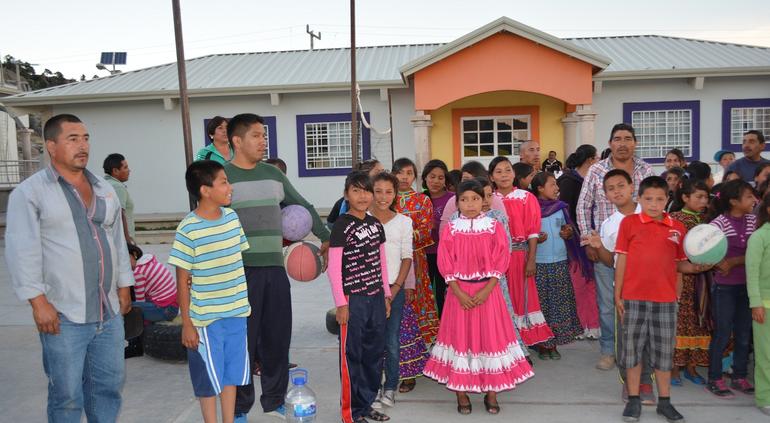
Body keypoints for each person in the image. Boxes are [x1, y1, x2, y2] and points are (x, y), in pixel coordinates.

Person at [6, 114, 134, 422]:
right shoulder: (30, 193)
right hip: (64, 315)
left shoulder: (104, 189)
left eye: (86, 138)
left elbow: (117, 240)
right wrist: (38, 302)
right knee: (66, 396)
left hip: (108, 312)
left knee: (108, 388)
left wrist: (124, 285)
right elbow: (22, 250)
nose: (82, 145)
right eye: (72, 139)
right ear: (51, 146)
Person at [223, 113, 331, 421]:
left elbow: (303, 205)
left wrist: (325, 236)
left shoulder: (272, 174)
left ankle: (274, 400)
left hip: (273, 268)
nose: (263, 141)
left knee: (277, 338)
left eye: (264, 135)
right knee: (243, 341)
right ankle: (240, 407)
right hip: (239, 271)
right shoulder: (223, 176)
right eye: (256, 135)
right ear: (237, 140)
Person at [423, 179, 533, 415]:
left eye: (475, 198)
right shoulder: (451, 228)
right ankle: (461, 393)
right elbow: (445, 261)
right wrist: (458, 292)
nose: (470, 204)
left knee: (490, 340)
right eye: (464, 199)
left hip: (489, 293)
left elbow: (502, 258)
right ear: (457, 203)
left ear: (484, 201)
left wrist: (487, 289)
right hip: (458, 294)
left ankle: (491, 392)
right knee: (460, 341)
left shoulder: (494, 226)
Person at [614, 176, 709, 423]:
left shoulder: (677, 227)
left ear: (667, 199)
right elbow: (622, 259)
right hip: (633, 298)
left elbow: (680, 265)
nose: (654, 204)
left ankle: (665, 402)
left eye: (659, 199)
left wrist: (697, 268)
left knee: (664, 354)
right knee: (633, 352)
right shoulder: (629, 223)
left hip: (665, 301)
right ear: (639, 199)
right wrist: (618, 295)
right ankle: (633, 400)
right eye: (648, 199)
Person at [168, 160, 251, 423]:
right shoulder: (188, 228)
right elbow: (182, 280)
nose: (230, 187)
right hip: (206, 320)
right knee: (207, 381)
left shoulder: (232, 219)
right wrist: (187, 324)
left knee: (231, 376)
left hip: (236, 313)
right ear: (205, 190)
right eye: (224, 182)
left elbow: (235, 263)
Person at [576, 122, 654, 371]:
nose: (622, 144)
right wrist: (588, 240)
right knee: (607, 304)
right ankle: (609, 350)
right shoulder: (597, 170)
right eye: (617, 139)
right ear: (610, 143)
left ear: (635, 143)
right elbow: (583, 206)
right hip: (605, 250)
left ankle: (635, 349)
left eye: (628, 139)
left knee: (638, 302)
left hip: (640, 252)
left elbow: (655, 206)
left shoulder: (646, 170)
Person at [585, 169, 656, 405]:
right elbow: (609, 261)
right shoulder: (609, 224)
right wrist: (599, 246)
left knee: (648, 338)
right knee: (627, 339)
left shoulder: (650, 213)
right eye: (611, 189)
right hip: (625, 288)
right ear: (605, 195)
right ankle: (629, 384)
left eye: (621, 186)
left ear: (631, 187)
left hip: (652, 286)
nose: (617, 191)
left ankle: (646, 383)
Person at [327, 171, 392, 423]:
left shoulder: (375, 225)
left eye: (367, 190)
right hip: (353, 299)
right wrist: (341, 304)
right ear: (347, 195)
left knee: (374, 355)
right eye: (356, 190)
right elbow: (334, 268)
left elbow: (381, 261)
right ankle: (351, 413)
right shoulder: (342, 225)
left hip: (376, 298)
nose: (363, 196)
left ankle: (366, 405)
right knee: (352, 356)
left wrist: (386, 294)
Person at [489, 156, 554, 346]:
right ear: (491, 177)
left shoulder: (526, 197)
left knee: (523, 296)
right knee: (500, 297)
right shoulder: (488, 199)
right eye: (498, 171)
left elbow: (533, 232)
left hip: (520, 255)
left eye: (507, 170)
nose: (504, 175)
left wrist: (531, 259)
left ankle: (528, 338)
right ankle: (504, 338)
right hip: (495, 258)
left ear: (514, 174)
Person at [705, 179, 757, 398]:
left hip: (748, 286)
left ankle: (739, 376)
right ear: (734, 201)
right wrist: (718, 263)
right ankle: (715, 378)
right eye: (749, 196)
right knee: (723, 332)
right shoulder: (718, 224)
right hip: (725, 288)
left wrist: (734, 261)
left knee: (744, 333)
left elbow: (757, 253)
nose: (754, 200)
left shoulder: (755, 220)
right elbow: (706, 251)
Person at [392, 157, 438, 393]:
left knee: (415, 309)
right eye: (400, 172)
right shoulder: (385, 200)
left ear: (415, 176)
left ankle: (415, 364)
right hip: (387, 263)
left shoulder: (422, 200)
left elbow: (425, 231)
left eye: (409, 173)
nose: (404, 177)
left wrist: (400, 236)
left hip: (415, 262)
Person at [369, 172, 413, 411]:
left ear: (396, 194)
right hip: (367, 292)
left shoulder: (404, 222)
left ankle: (390, 387)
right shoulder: (363, 220)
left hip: (395, 291)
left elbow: (407, 257)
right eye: (378, 191)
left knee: (391, 341)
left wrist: (395, 289)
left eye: (388, 192)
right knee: (372, 342)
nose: (383, 197)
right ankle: (373, 386)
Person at [529, 172, 583, 359]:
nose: (557, 188)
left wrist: (568, 232)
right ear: (540, 188)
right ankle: (543, 344)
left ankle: (554, 343)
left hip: (559, 262)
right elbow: (526, 233)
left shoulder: (561, 207)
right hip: (539, 264)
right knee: (542, 305)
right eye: (552, 184)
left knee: (558, 304)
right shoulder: (532, 208)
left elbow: (569, 228)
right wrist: (535, 238)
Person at [668, 180, 712, 386]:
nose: (703, 201)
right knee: (680, 322)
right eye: (699, 197)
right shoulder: (674, 219)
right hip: (681, 278)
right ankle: (674, 368)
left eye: (706, 197)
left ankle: (692, 366)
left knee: (698, 321)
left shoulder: (708, 220)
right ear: (685, 198)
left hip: (703, 280)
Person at [558, 144, 600, 340]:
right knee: (579, 283)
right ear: (590, 160)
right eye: (596, 158)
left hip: (594, 236)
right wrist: (575, 234)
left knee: (593, 283)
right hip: (574, 241)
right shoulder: (569, 181)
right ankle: (582, 324)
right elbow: (566, 212)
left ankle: (594, 324)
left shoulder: (592, 180)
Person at [125, 244, 179, 358]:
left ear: (134, 254)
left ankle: (135, 346)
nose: (124, 263)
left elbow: (139, 302)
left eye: (125, 258)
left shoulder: (138, 272)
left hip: (166, 309)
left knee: (128, 308)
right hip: (172, 305)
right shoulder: (148, 261)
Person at [747, 193, 770, 416]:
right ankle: (765, 397)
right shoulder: (759, 237)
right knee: (766, 354)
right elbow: (752, 272)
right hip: (765, 305)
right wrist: (756, 303)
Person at [421, 159, 453, 317]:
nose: (436, 181)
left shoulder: (453, 199)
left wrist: (437, 224)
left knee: (443, 292)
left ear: (446, 180)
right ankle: (427, 324)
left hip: (446, 253)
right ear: (425, 178)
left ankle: (444, 323)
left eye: (441, 177)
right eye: (432, 176)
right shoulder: (419, 199)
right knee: (424, 292)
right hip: (424, 253)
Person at [439, 160, 505, 233]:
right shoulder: (454, 206)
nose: (471, 184)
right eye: (466, 179)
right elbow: (444, 232)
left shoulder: (497, 210)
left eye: (476, 180)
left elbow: (504, 236)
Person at [328, 159, 384, 229]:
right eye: (378, 171)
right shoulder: (352, 203)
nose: (382, 174)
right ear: (366, 173)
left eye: (383, 171)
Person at [103, 153, 135, 244]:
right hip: (123, 240)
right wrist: (129, 243)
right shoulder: (118, 187)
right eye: (125, 167)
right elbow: (121, 215)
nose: (129, 170)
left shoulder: (104, 184)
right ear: (115, 171)